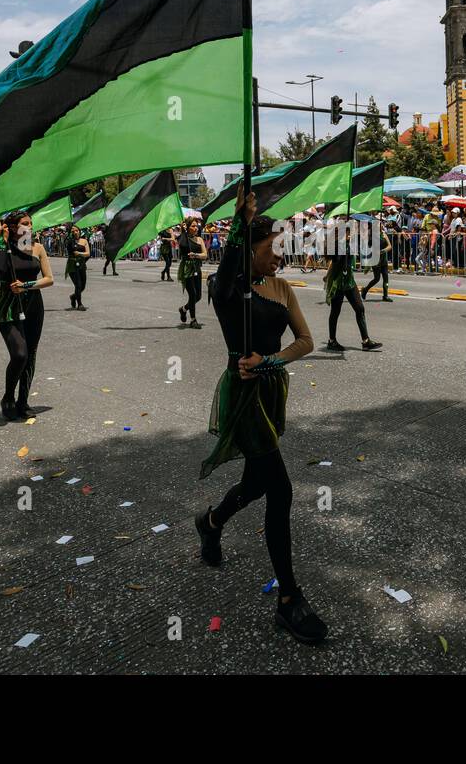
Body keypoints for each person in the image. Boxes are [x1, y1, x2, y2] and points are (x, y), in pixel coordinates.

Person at [193, 188, 325, 644]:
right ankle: (289, 600)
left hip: (270, 389)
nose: (281, 255)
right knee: (281, 491)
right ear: (251, 247)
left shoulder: (282, 287)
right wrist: (237, 220)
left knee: (256, 484)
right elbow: (229, 269)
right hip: (242, 395)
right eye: (273, 247)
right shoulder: (227, 289)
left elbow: (306, 341)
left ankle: (210, 523)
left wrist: (272, 362)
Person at [0, 212, 53, 421]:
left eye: (31, 223)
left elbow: (49, 279)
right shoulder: (3, 248)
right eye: (25, 224)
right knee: (19, 354)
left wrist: (26, 285)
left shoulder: (37, 247)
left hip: (33, 303)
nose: (30, 227)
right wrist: (2, 240)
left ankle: (23, 400)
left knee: (31, 354)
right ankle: (8, 397)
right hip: (8, 305)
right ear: (13, 227)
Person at [323, 232, 381, 352]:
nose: (352, 234)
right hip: (338, 282)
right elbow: (333, 261)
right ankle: (332, 341)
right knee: (335, 311)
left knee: (360, 308)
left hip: (349, 281)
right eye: (349, 231)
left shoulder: (350, 244)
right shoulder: (336, 246)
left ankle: (366, 341)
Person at [178, 217, 207, 328]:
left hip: (196, 268)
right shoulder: (183, 238)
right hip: (187, 269)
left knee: (198, 296)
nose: (196, 228)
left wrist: (196, 255)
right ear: (188, 227)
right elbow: (182, 244)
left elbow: (205, 255)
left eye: (196, 226)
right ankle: (193, 320)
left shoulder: (199, 239)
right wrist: (183, 231)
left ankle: (183, 309)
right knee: (193, 295)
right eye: (193, 226)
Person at [360, 221, 392, 302]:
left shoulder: (384, 235)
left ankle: (385, 295)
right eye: (379, 226)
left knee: (386, 278)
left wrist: (383, 250)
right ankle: (365, 290)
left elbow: (389, 246)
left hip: (383, 259)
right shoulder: (372, 236)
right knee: (376, 279)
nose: (381, 227)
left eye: (381, 225)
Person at [66, 225, 90, 310]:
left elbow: (88, 253)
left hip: (82, 265)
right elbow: (70, 251)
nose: (75, 232)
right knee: (78, 285)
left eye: (76, 230)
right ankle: (80, 304)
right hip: (72, 265)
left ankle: (73, 297)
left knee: (83, 286)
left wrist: (80, 254)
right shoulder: (70, 241)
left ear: (79, 231)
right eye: (73, 231)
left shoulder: (84, 241)